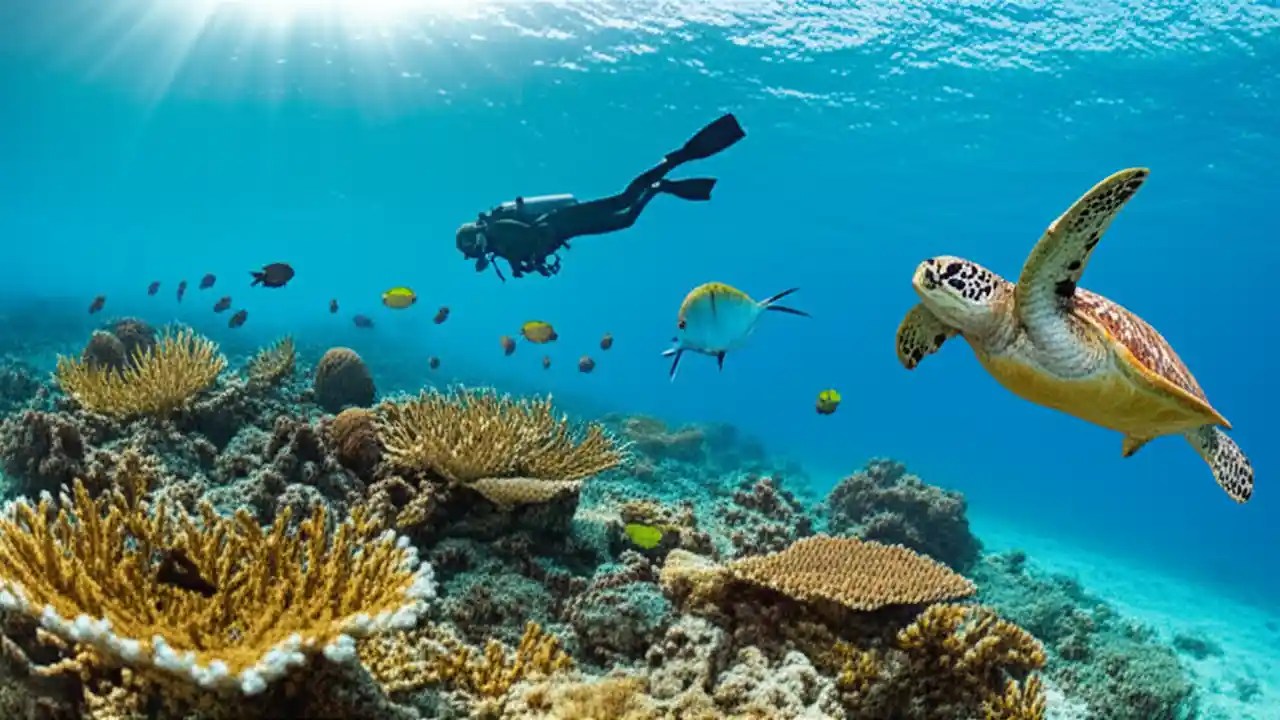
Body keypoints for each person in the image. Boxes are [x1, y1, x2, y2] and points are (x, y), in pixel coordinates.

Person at [456, 113, 746, 280]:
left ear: (474, 239)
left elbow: (532, 234)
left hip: (563, 221)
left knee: (623, 206)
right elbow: (523, 249)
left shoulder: (497, 229)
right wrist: (525, 264)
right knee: (625, 212)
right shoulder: (498, 243)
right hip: (568, 228)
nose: (475, 255)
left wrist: (532, 257)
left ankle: (670, 167)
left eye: (471, 250)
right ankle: (662, 183)